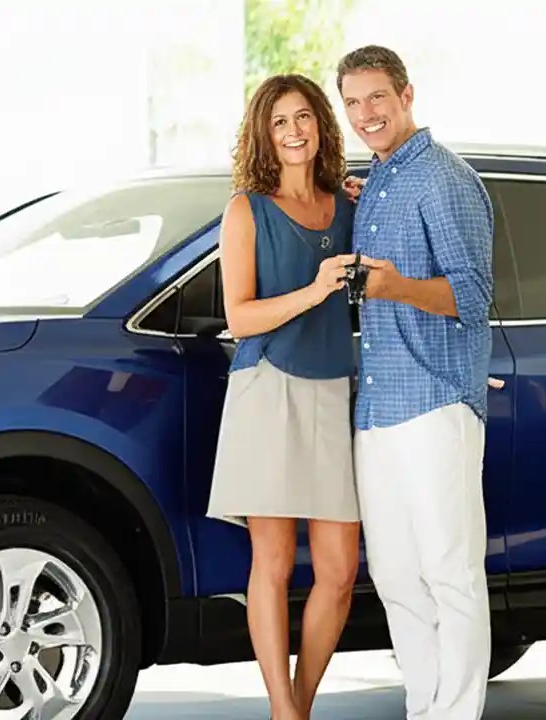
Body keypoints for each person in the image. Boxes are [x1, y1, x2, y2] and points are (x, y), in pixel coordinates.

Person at [334, 45, 495, 719]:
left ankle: (455, 712)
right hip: (378, 410)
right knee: (397, 576)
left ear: (406, 95)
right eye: (353, 103)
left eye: (377, 98)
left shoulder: (442, 178)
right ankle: (424, 708)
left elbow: (474, 295)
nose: (366, 114)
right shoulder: (380, 181)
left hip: (435, 403)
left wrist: (396, 285)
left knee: (450, 573)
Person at [205, 73, 362, 720]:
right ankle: (284, 711)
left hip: (334, 390)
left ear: (321, 124)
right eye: (280, 122)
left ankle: (297, 703)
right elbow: (239, 318)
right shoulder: (247, 210)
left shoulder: (350, 205)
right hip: (268, 388)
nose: (294, 131)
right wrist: (316, 289)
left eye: (304, 117)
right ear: (263, 135)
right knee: (271, 563)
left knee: (340, 572)